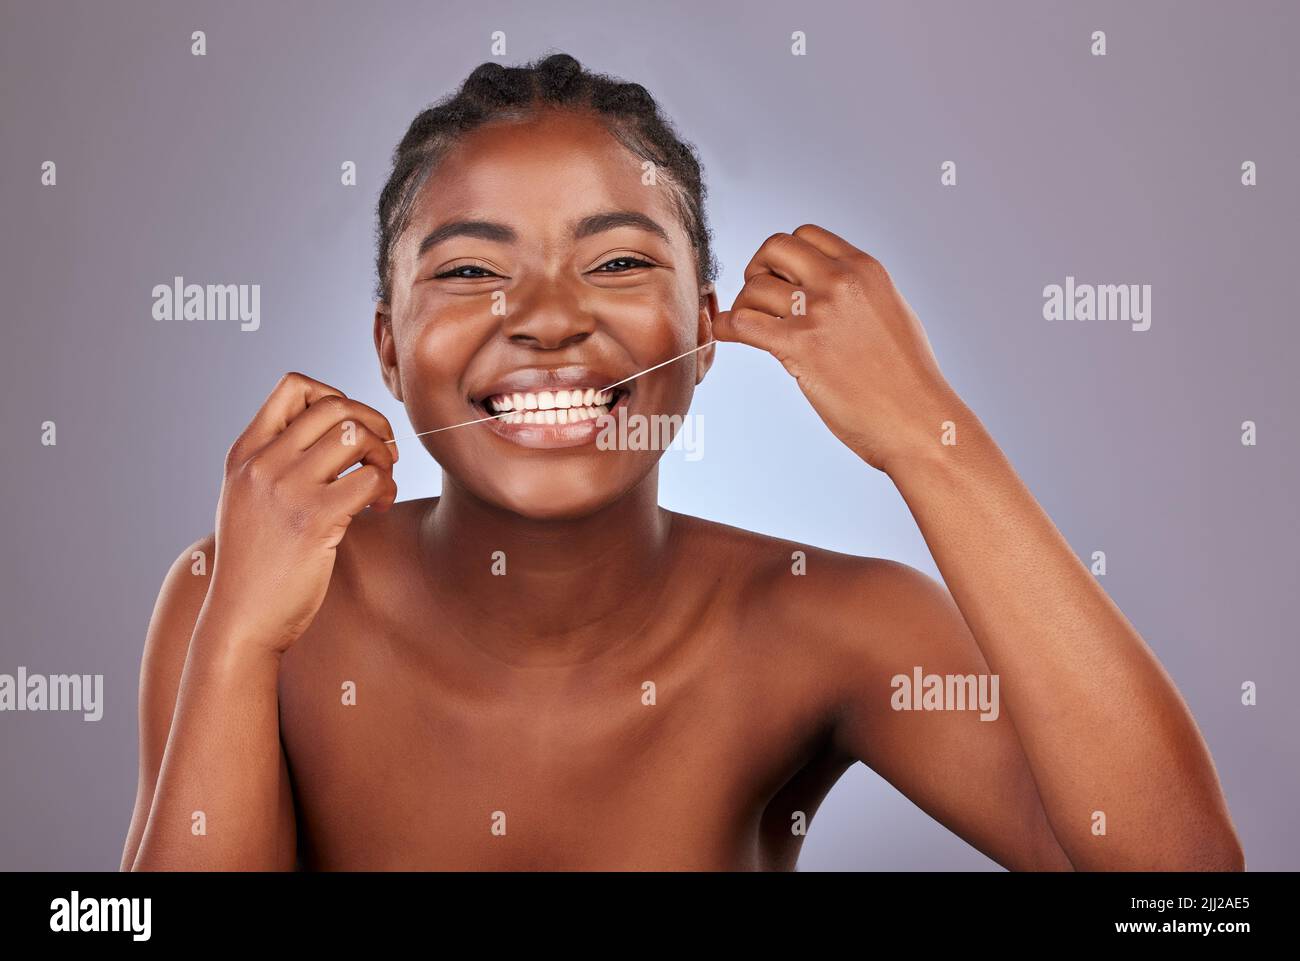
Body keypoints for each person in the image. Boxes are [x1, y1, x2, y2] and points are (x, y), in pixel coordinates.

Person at [121, 53, 1244, 871]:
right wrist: (236, 640)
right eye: (468, 272)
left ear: (705, 336)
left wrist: (928, 435)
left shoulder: (828, 624)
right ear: (387, 347)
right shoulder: (240, 600)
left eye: (614, 261)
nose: (548, 320)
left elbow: (1184, 891)